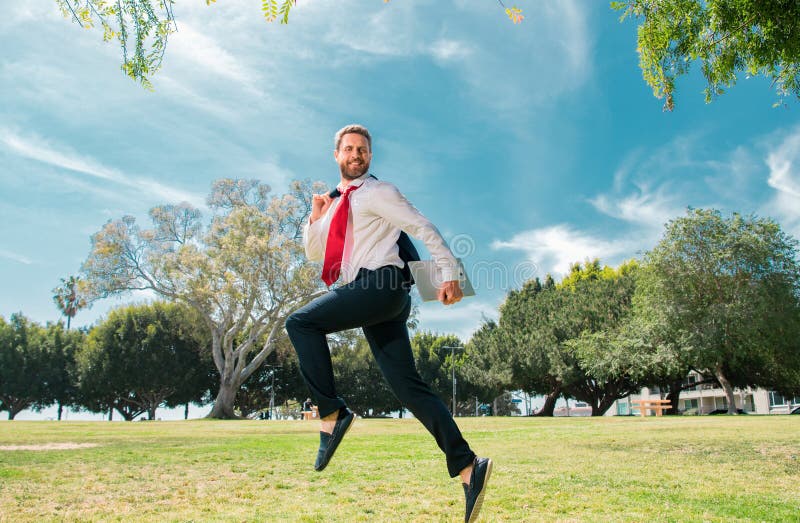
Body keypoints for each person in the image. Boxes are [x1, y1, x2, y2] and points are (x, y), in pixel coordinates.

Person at [285, 124, 492, 522]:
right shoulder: (335, 203)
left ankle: (333, 414)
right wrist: (315, 217)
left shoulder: (379, 192)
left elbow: (422, 227)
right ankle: (469, 468)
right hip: (376, 299)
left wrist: (449, 273)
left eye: (362, 149)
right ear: (336, 155)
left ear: (370, 156)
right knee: (408, 388)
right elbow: (313, 252)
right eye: (349, 149)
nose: (356, 154)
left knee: (301, 324)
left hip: (382, 284)